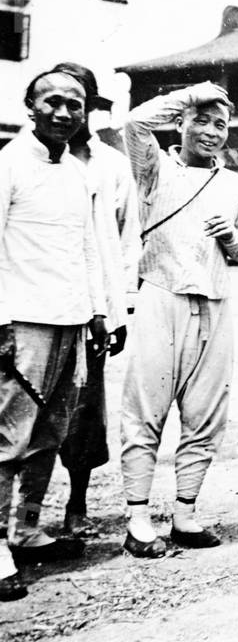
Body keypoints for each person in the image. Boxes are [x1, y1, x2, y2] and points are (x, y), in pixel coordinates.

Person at [120, 81, 238, 558]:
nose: (211, 132)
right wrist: (194, 93)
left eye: (220, 124)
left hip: (215, 305)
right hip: (162, 298)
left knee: (204, 415)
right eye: (200, 120)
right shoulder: (155, 168)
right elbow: (136, 123)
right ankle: (138, 517)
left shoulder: (235, 183)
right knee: (146, 410)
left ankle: (184, 513)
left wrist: (233, 241)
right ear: (180, 121)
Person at [0, 70, 107, 602]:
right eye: (54, 103)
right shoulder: (7, 164)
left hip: (71, 321)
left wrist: (98, 313)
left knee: (50, 432)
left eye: (75, 105)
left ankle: (27, 528)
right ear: (30, 105)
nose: (64, 113)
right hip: (22, 323)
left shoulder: (77, 173)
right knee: (7, 437)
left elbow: (87, 247)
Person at [52, 63, 140, 538]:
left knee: (84, 408)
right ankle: (21, 517)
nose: (68, 112)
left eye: (79, 101)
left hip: (95, 309)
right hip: (38, 302)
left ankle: (77, 502)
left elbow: (126, 241)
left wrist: (121, 306)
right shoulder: (28, 160)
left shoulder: (111, 165)